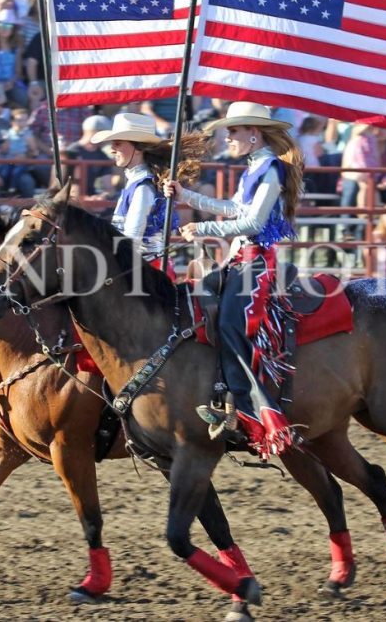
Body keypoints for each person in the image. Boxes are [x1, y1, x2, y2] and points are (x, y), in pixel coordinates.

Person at [162, 101, 304, 459]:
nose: (228, 137)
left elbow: (252, 224)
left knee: (229, 324)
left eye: (234, 131)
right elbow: (236, 210)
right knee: (196, 306)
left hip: (255, 265)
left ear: (254, 134)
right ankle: (216, 392)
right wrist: (187, 197)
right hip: (240, 260)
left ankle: (249, 412)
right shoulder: (257, 167)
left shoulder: (270, 170)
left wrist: (202, 227)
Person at [91, 112, 205, 265]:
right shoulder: (138, 181)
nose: (112, 149)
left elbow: (132, 238)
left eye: (117, 143)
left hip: (144, 269)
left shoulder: (143, 186)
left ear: (137, 148)